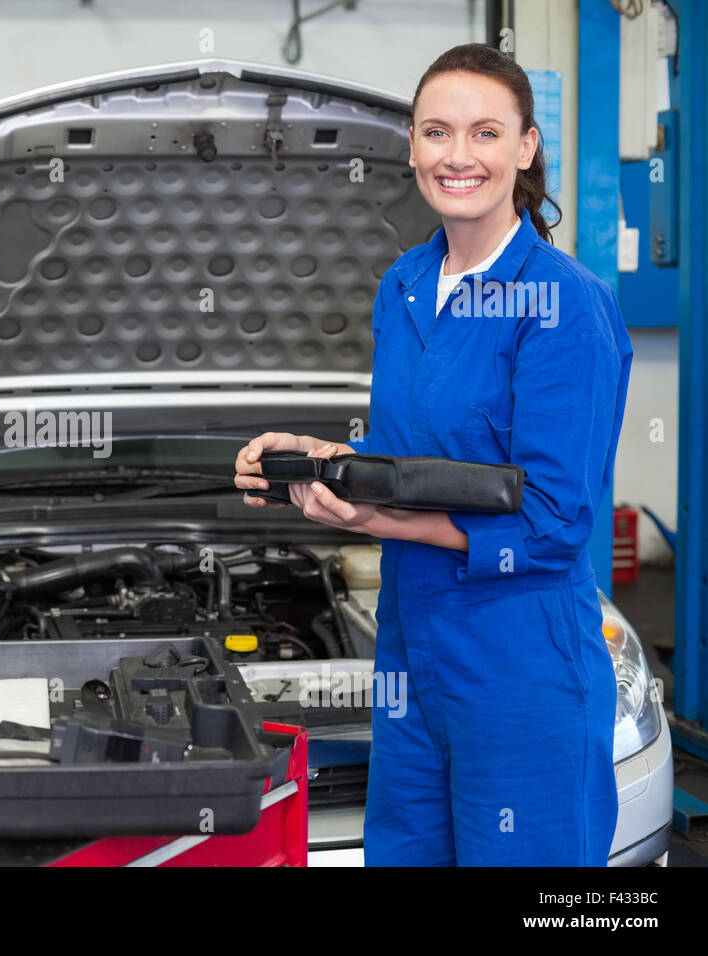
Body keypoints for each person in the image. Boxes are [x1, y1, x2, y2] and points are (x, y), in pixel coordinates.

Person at [234, 43, 633, 866]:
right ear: (412, 146)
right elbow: (417, 454)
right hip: (411, 644)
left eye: (485, 133)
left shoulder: (564, 305)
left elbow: (554, 524)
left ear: (525, 148)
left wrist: (376, 516)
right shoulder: (407, 284)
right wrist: (317, 458)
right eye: (437, 132)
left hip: (519, 653)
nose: (458, 156)